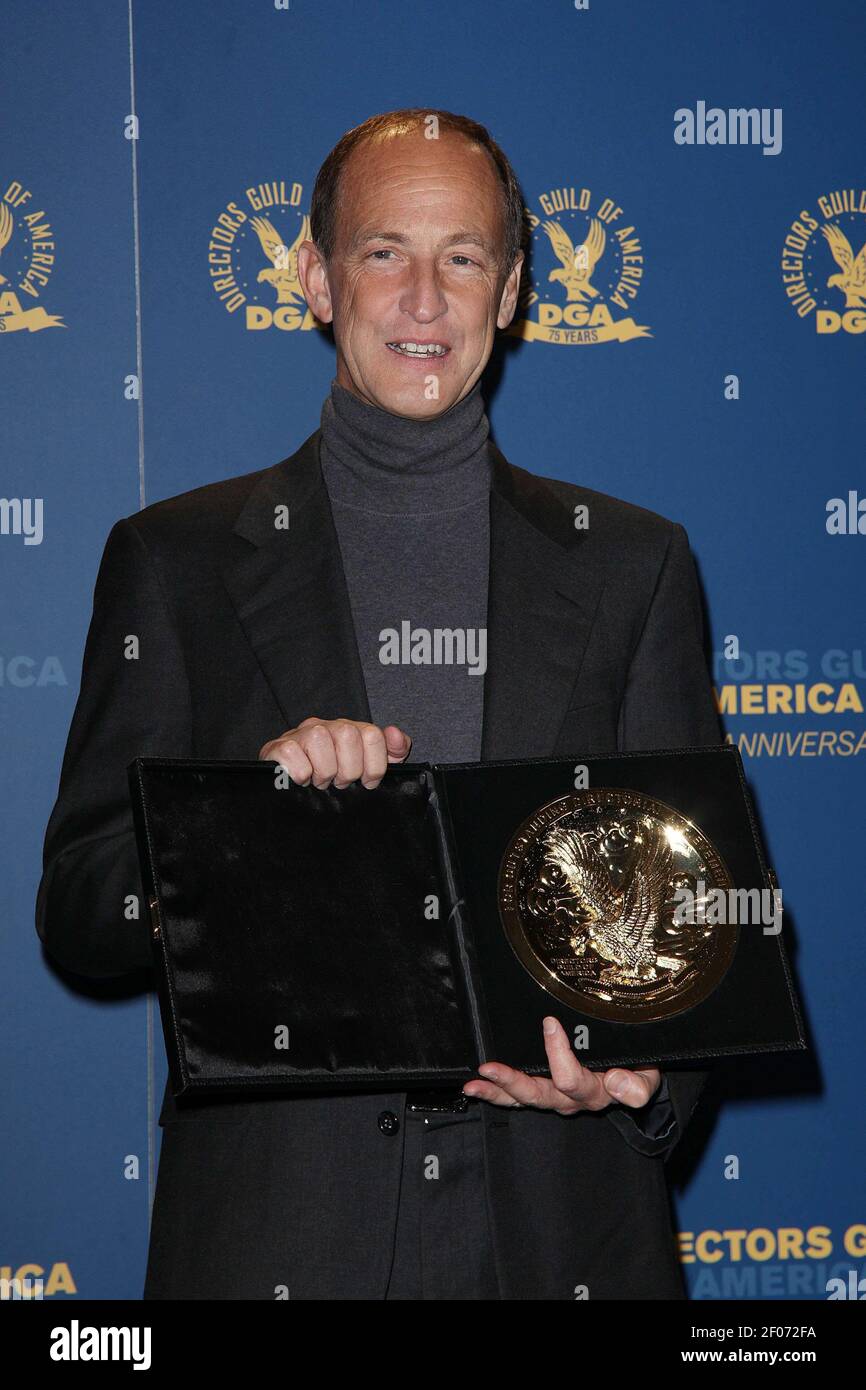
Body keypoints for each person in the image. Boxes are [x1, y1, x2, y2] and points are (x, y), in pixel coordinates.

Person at [36, 108, 721, 1300]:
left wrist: (643, 1078)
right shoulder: (176, 560)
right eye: (381, 252)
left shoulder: (631, 565)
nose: (422, 298)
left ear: (508, 290)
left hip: (562, 1235)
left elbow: (695, 927)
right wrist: (242, 818)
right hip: (280, 1238)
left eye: (461, 257)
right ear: (313, 277)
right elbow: (83, 910)